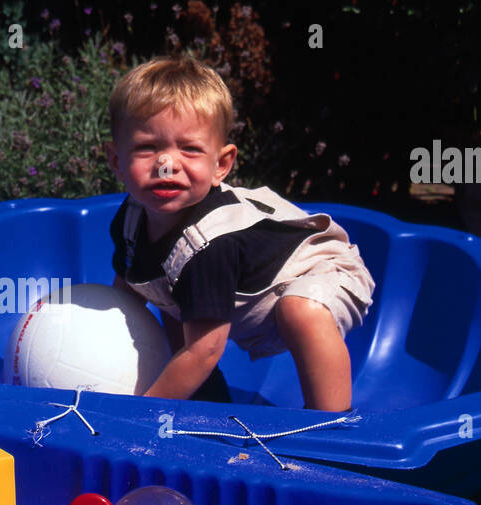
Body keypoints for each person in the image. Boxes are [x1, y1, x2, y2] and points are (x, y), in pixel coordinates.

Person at [105, 55, 374, 411]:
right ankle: (205, 399)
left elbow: (205, 349)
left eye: (189, 149)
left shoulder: (211, 246)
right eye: (146, 147)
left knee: (301, 311)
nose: (167, 164)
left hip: (322, 273)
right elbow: (128, 289)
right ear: (115, 161)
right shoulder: (131, 217)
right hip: (247, 294)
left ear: (221, 165)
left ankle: (331, 424)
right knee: (168, 297)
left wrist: (143, 412)